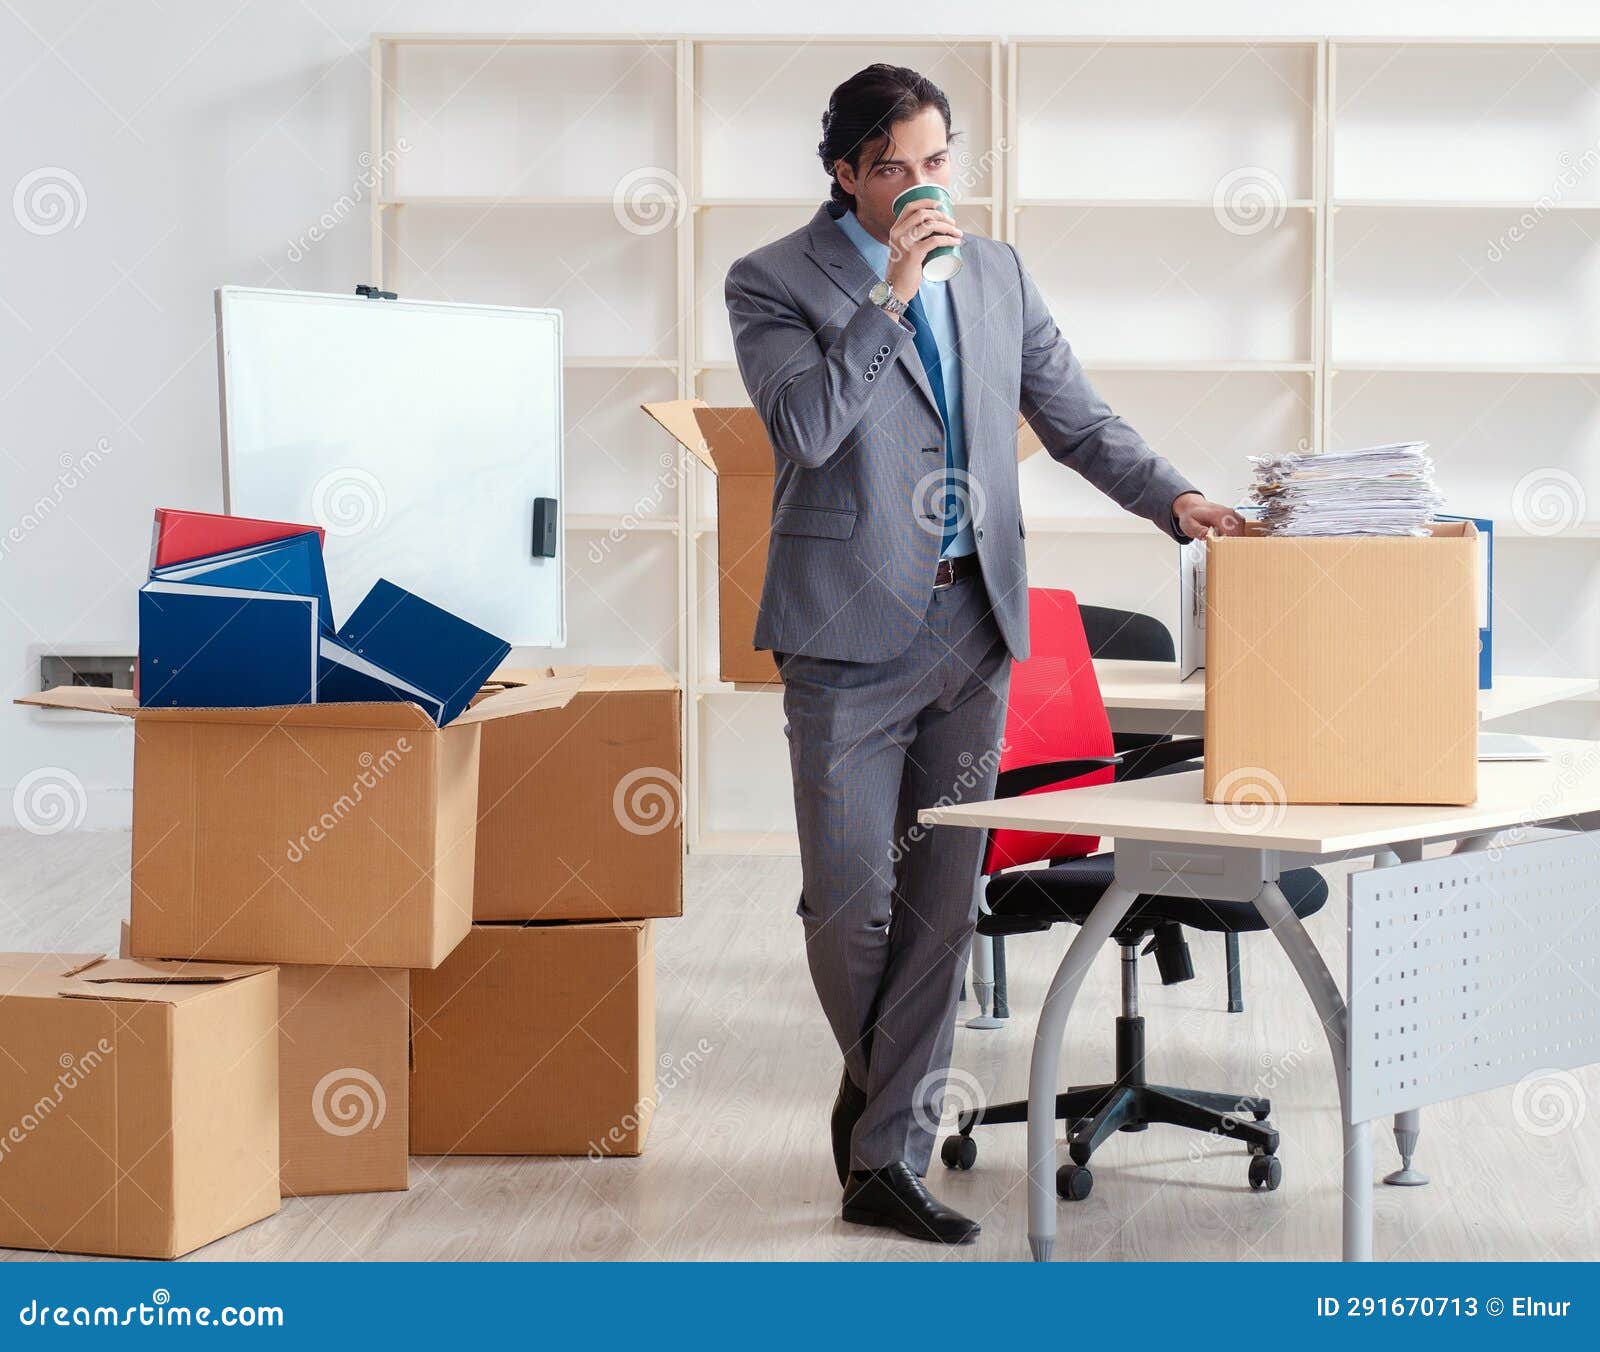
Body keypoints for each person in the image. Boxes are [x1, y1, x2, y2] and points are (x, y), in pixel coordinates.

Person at [724, 63, 1240, 1245]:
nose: (921, 186)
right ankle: (883, 1099)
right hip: (845, 635)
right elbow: (804, 428)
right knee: (850, 906)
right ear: (844, 172)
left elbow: (1077, 420)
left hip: (973, 627)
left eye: (938, 160)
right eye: (894, 166)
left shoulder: (998, 272)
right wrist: (889, 297)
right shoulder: (772, 281)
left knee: (944, 905)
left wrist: (1180, 500)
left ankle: (886, 1155)